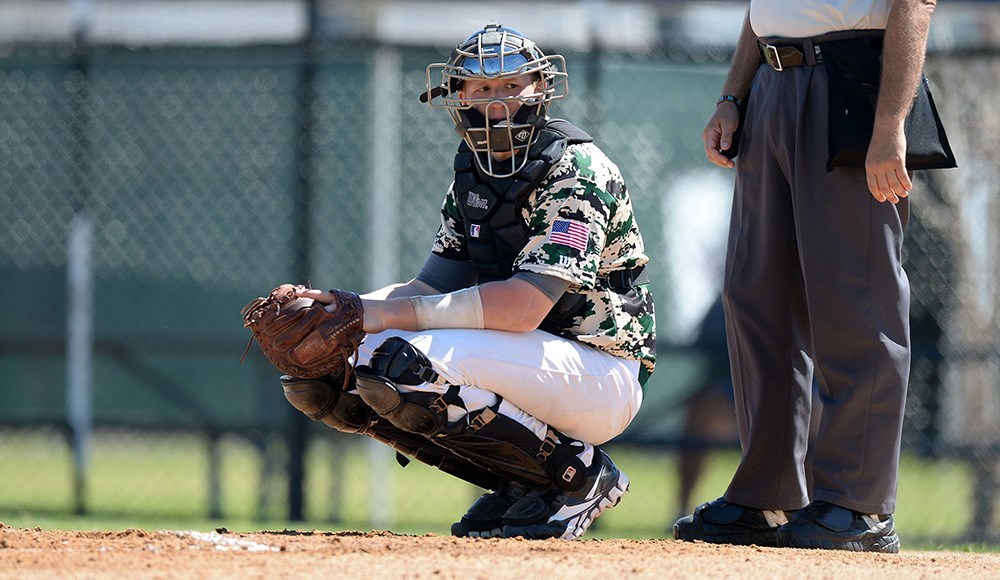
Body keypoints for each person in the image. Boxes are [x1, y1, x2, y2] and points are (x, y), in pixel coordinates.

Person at [281, 23, 655, 541]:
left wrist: (381, 317)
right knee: (346, 368)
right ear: (457, 97)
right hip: (527, 362)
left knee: (399, 363)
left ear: (541, 90)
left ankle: (579, 475)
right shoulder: (474, 175)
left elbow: (522, 309)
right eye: (482, 88)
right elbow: (430, 289)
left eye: (512, 85)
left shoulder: (576, 169)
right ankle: (522, 483)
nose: (498, 101)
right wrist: (340, 311)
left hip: (597, 371)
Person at [672, 0, 939, 552]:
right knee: (756, 296)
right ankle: (766, 496)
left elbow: (914, 4)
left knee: (856, 302)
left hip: (851, 84)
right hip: (770, 85)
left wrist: (890, 122)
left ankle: (857, 505)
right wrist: (732, 95)